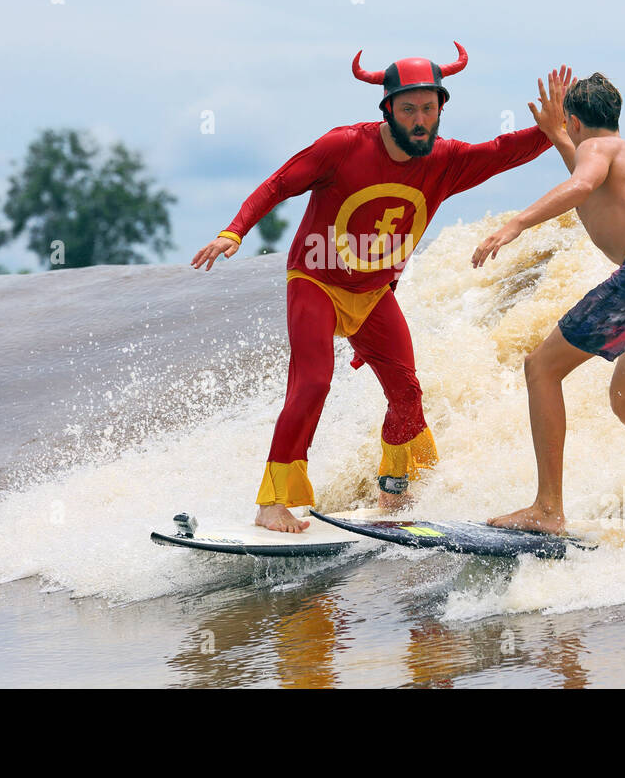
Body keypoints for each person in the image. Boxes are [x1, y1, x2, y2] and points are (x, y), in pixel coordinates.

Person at [192, 43, 558, 532]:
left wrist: (553, 128)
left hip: (373, 292)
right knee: (314, 380)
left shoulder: (445, 162)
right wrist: (234, 229)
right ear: (388, 109)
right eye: (409, 109)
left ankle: (395, 494)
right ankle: (272, 504)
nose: (421, 120)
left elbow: (501, 152)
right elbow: (279, 184)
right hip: (316, 279)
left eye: (429, 108)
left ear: (441, 109)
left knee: (406, 392)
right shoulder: (342, 146)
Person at [471, 69, 625, 536]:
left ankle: (547, 509)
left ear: (578, 122)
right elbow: (585, 176)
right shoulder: (621, 153)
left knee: (541, 368)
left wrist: (515, 224)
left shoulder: (598, 151)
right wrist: (559, 133)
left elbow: (580, 185)